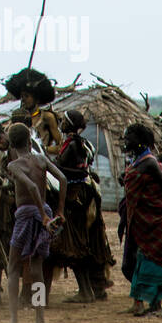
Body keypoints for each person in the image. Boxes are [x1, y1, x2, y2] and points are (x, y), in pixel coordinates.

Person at [2, 122, 67, 323]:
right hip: (44, 213)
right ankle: (40, 321)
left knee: (13, 268)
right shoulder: (41, 159)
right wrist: (58, 210)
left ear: (12, 145)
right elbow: (63, 179)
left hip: (27, 215)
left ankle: (13, 322)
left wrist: (43, 215)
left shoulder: (14, 165)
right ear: (30, 142)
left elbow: (29, 187)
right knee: (37, 270)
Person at [48, 109, 113, 304]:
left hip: (74, 197)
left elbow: (69, 168)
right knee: (84, 242)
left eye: (64, 121)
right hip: (84, 193)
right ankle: (94, 289)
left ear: (69, 124)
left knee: (74, 244)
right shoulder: (83, 143)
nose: (60, 124)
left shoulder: (73, 144)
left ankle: (86, 291)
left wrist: (50, 165)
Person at [122, 123, 162, 318]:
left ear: (140, 140)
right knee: (144, 262)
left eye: (129, 136)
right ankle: (151, 303)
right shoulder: (138, 162)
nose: (126, 140)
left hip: (156, 221)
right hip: (143, 223)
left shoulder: (149, 162)